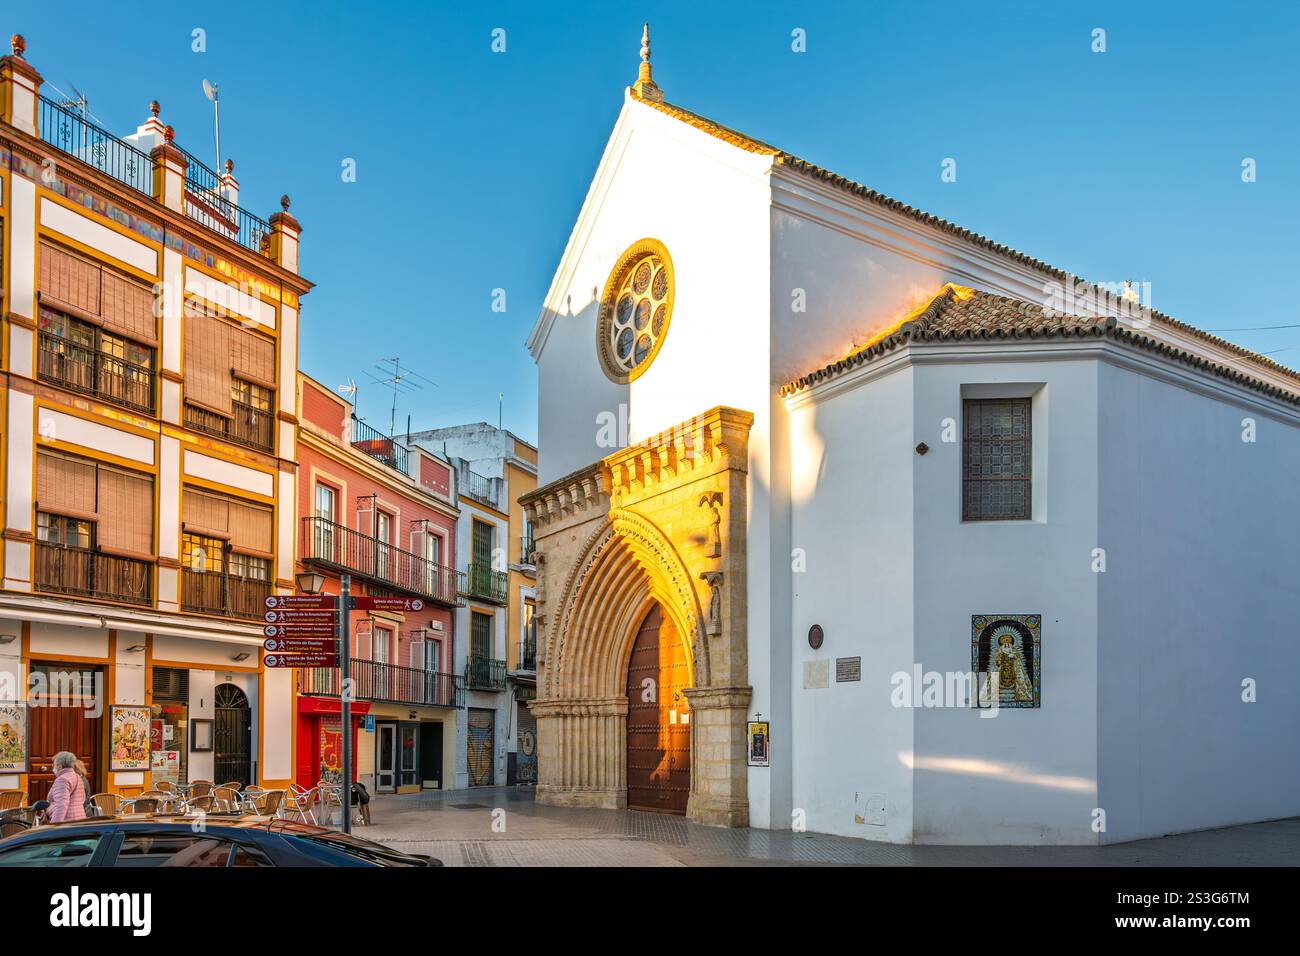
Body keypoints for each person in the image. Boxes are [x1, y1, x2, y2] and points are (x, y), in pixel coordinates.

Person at [46, 751, 87, 823]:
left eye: (54, 765)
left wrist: (54, 826)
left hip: (67, 822)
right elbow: (82, 799)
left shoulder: (62, 779)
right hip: (80, 819)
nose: (53, 767)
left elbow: (61, 805)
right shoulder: (77, 777)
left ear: (60, 766)